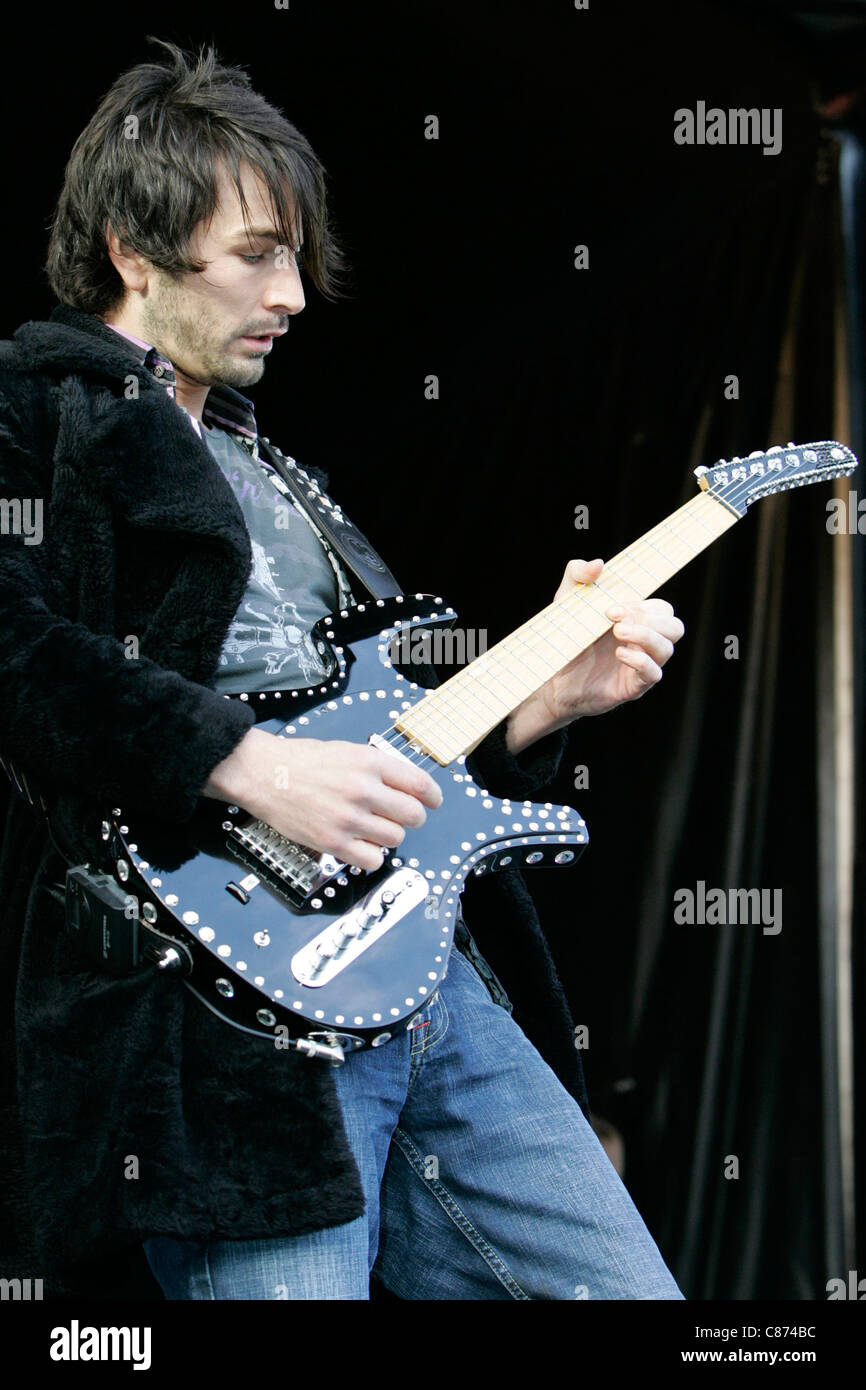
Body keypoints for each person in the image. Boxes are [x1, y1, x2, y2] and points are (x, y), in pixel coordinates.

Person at [0, 40, 685, 1300]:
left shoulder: (279, 472)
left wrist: (541, 697)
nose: (295, 294)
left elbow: (376, 728)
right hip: (231, 1024)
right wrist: (241, 760)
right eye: (256, 253)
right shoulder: (38, 413)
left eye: (294, 256)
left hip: (429, 976)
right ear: (131, 251)